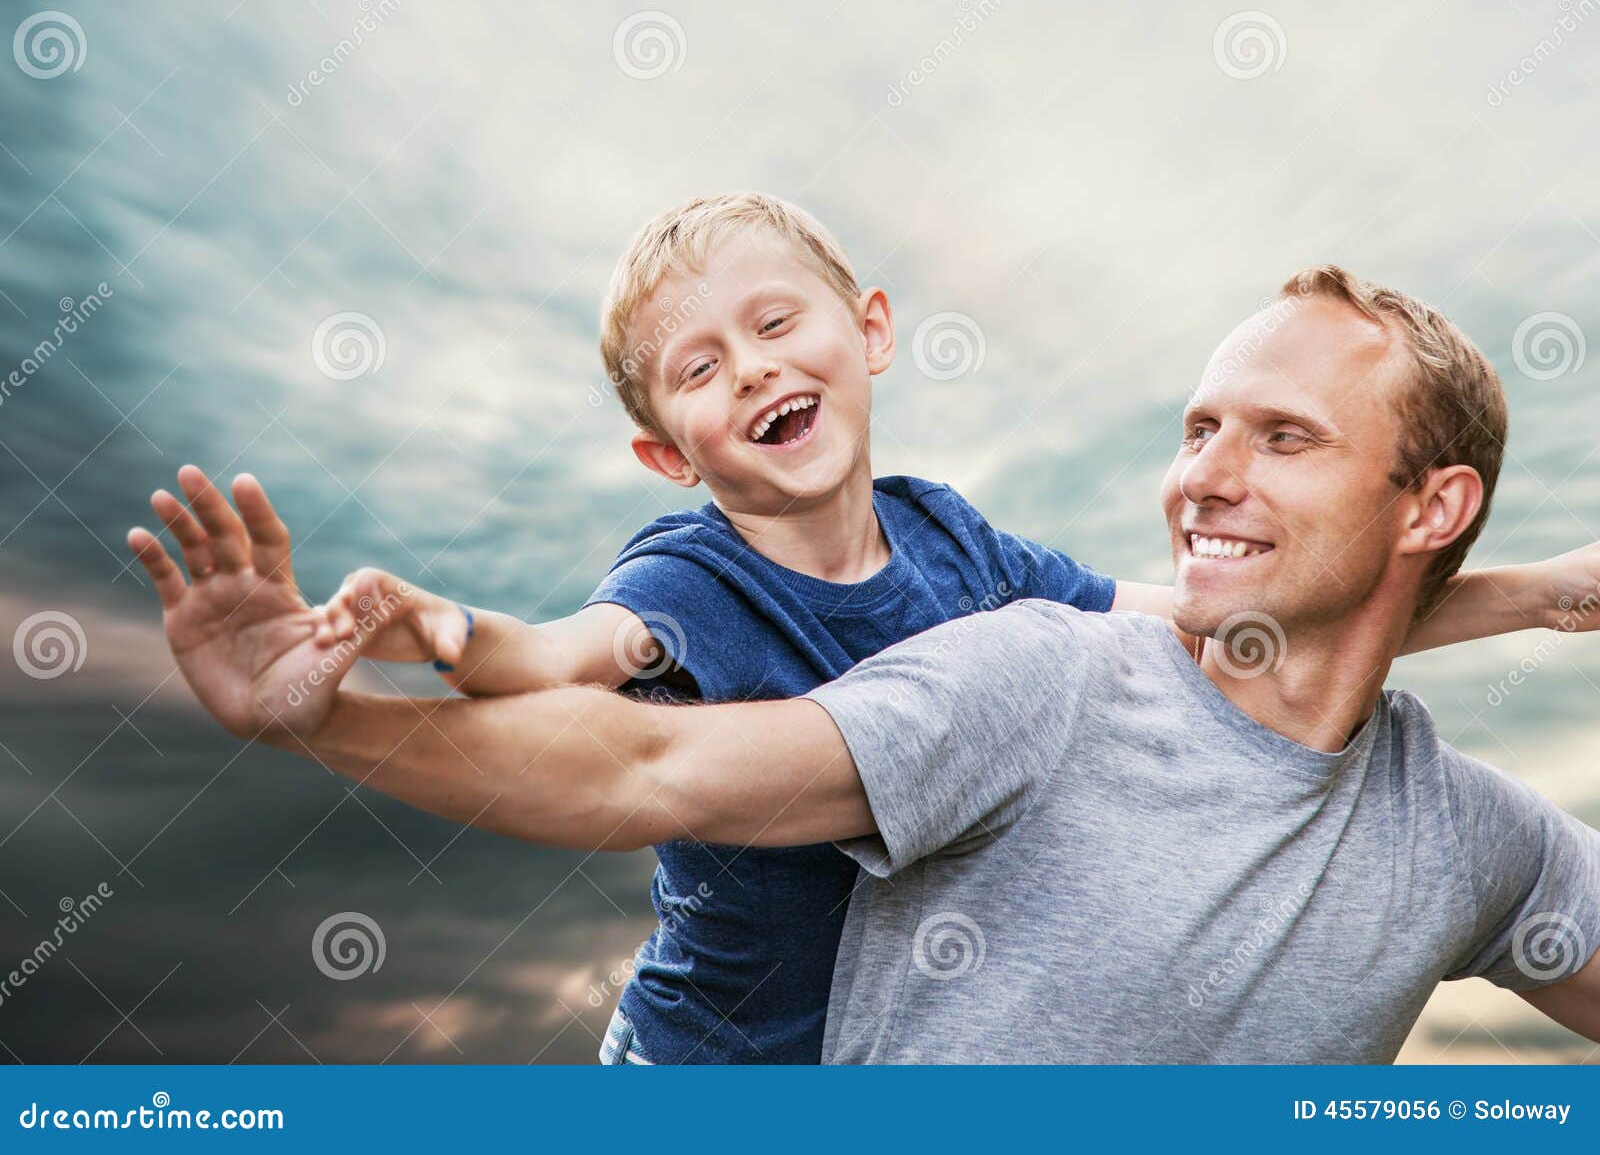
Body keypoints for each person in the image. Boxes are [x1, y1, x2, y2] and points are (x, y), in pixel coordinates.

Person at [130, 265, 1600, 1063]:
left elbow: (1267, 626)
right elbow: (634, 751)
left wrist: (1539, 593)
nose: (1204, 476)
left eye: (1280, 438)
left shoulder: (1479, 842)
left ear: (1434, 508)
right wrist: (340, 710)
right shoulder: (1019, 674)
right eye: (1197, 427)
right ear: (664, 446)